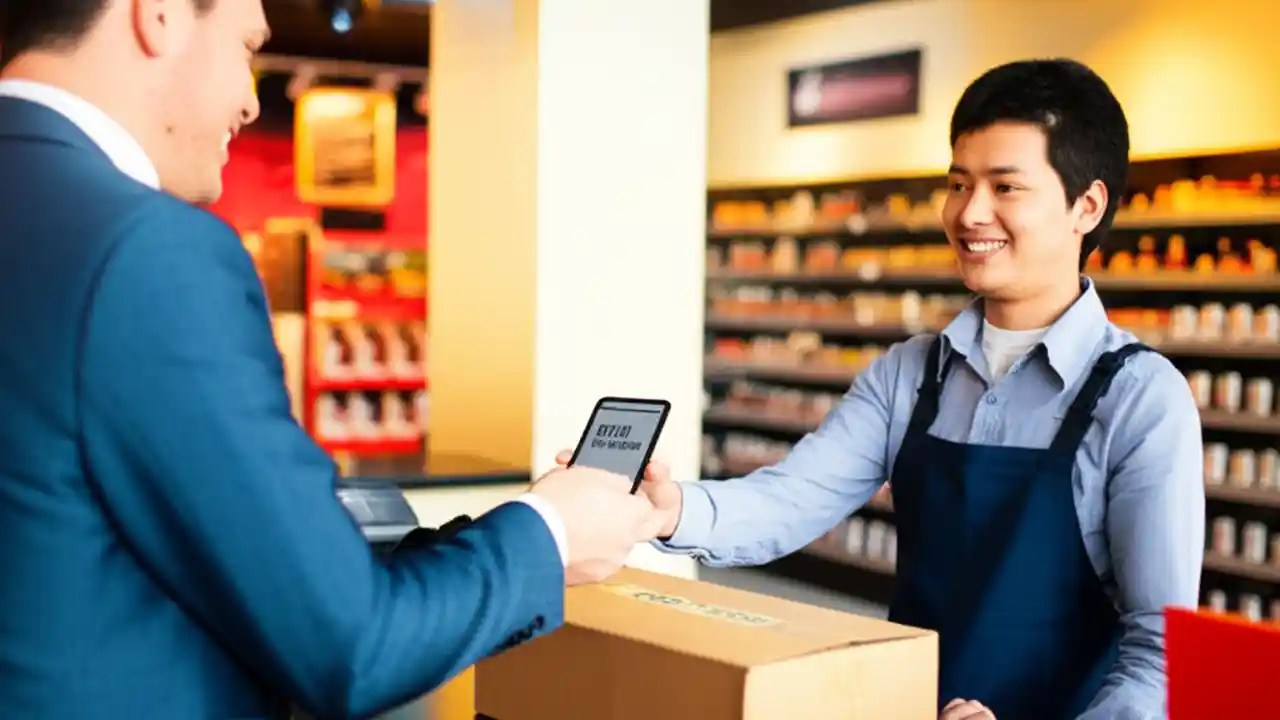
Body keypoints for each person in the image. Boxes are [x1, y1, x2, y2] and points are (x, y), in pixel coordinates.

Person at [0, 1, 660, 718]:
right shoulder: (150, 251)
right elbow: (353, 647)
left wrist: (501, 530)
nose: (251, 101)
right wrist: (554, 535)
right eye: (248, 48)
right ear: (157, 14)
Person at [560, 59, 1205, 720]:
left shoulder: (1140, 400)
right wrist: (664, 512)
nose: (969, 212)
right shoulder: (911, 373)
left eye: (1005, 187)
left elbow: (1161, 655)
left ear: (1086, 206)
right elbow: (792, 499)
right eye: (958, 183)